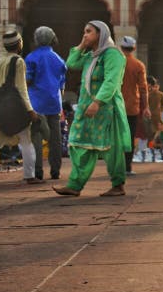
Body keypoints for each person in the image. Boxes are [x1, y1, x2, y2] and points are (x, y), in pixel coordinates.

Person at [53, 21, 130, 197]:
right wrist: (82, 44)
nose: (85, 35)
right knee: (79, 143)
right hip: (86, 107)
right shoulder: (91, 56)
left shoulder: (113, 55)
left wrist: (98, 102)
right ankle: (75, 185)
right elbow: (71, 64)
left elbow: (111, 81)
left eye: (89, 32)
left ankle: (118, 185)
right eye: (84, 32)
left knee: (111, 148)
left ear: (101, 34)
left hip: (106, 108)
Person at [0, 31, 42, 184]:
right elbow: (21, 88)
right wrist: (30, 110)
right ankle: (29, 176)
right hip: (15, 108)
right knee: (26, 141)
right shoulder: (18, 61)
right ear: (19, 43)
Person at [25, 26, 67, 180]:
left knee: (36, 136)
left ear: (36, 40)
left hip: (36, 103)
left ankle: (38, 172)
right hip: (54, 103)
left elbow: (28, 80)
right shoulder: (58, 59)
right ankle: (55, 171)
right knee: (55, 138)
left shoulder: (31, 58)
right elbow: (62, 84)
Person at [118, 36, 150, 176]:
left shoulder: (115, 63)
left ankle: (116, 167)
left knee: (116, 136)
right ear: (134, 48)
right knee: (129, 137)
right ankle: (127, 167)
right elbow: (143, 88)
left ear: (120, 47)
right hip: (132, 107)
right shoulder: (138, 65)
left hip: (115, 105)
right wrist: (146, 107)